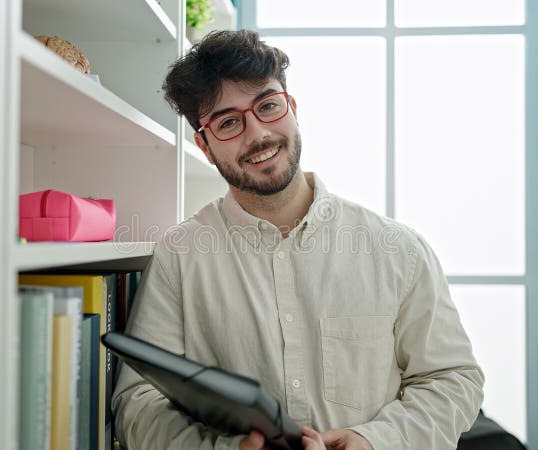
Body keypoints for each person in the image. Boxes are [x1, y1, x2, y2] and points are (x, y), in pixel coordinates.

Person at [112, 29, 484, 450]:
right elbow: (137, 403)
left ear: (291, 108)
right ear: (204, 145)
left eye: (268, 106)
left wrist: (374, 440)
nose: (257, 136)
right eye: (229, 122)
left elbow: (454, 380)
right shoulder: (179, 258)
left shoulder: (399, 250)